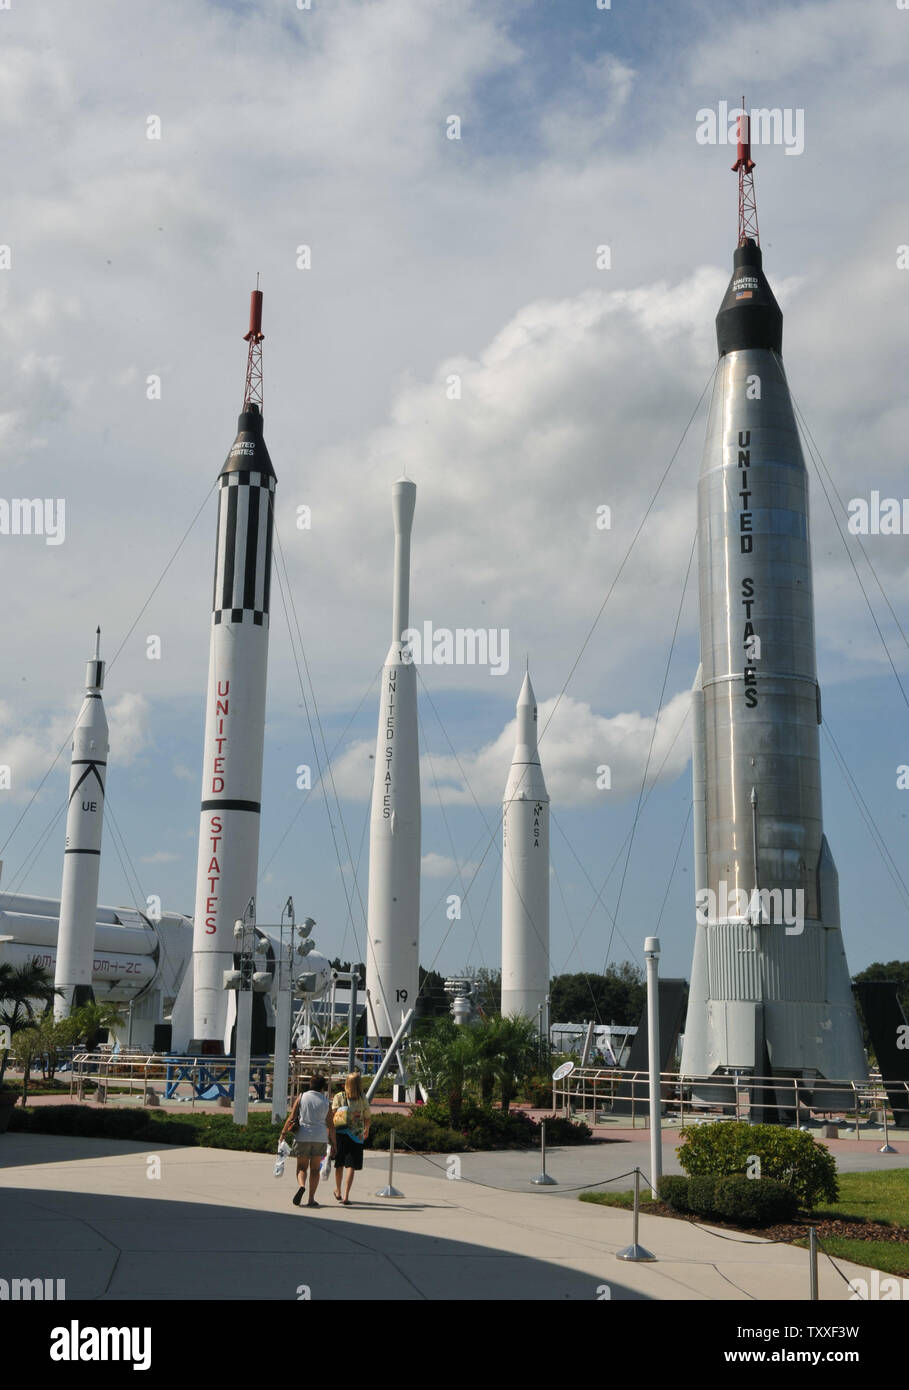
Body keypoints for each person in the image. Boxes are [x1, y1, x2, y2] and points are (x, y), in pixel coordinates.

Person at [280, 1073, 336, 1209]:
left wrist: (283, 1133)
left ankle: (301, 1186)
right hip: (320, 1137)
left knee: (301, 1167)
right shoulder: (326, 1102)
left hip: (303, 1136)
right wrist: (334, 1144)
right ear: (322, 1087)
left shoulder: (301, 1097)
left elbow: (291, 1117)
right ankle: (311, 1199)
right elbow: (331, 1125)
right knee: (315, 1170)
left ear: (310, 1085)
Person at [331, 1070, 371, 1205]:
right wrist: (367, 1129)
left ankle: (338, 1190)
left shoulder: (339, 1096)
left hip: (341, 1133)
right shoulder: (362, 1098)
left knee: (339, 1163)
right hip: (357, 1134)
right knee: (351, 1165)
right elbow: (367, 1116)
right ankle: (346, 1196)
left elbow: (334, 1114)